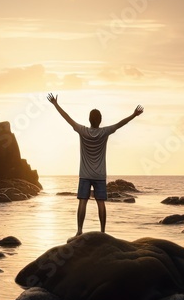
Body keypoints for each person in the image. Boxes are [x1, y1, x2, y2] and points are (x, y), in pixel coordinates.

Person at [47, 93, 143, 237]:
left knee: (82, 202)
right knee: (101, 203)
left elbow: (67, 118)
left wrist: (55, 104)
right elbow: (120, 124)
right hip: (99, 175)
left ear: (89, 120)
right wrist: (134, 114)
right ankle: (103, 232)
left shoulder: (83, 131)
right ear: (100, 121)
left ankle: (79, 231)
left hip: (85, 174)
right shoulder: (104, 132)